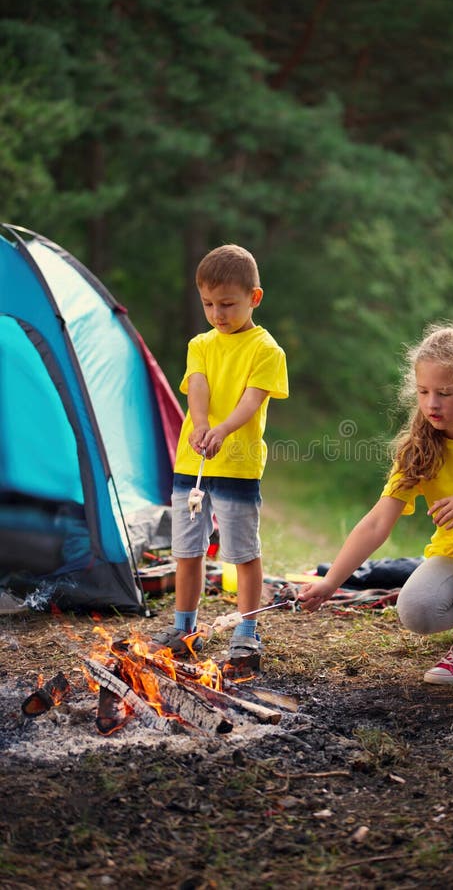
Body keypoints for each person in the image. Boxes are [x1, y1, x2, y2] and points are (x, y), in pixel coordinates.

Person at [299, 322, 453, 685]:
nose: (432, 403)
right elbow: (377, 523)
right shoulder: (418, 448)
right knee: (416, 610)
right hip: (452, 556)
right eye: (424, 391)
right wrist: (332, 581)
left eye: (444, 393)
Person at [152, 244, 288, 661]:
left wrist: (224, 429)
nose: (218, 314)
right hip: (192, 461)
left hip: (237, 465)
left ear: (254, 298)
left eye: (227, 304)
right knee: (187, 550)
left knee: (242, 553)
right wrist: (203, 425)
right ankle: (183, 627)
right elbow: (198, 388)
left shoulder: (266, 350)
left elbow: (251, 400)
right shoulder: (201, 345)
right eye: (209, 304)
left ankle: (247, 629)